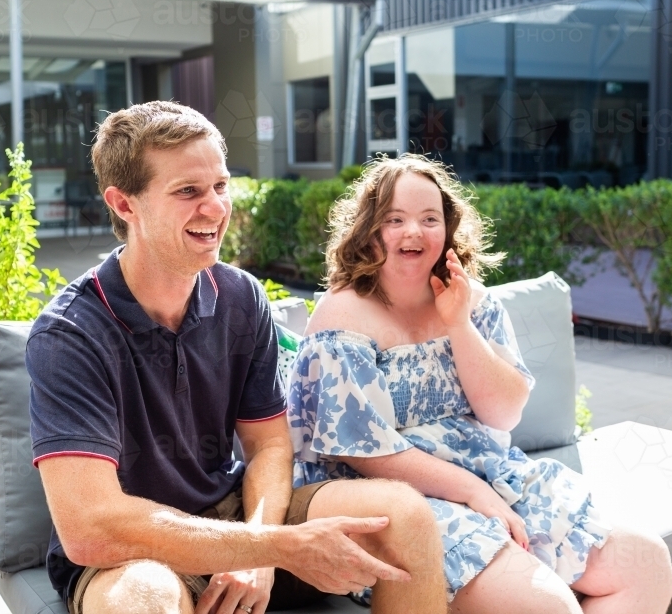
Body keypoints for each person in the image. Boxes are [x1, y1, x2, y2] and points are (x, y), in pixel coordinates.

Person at [26, 103, 448, 614]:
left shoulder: (241, 297)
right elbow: (91, 528)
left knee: (402, 514)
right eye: (188, 192)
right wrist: (271, 546)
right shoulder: (70, 333)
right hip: (135, 555)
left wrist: (259, 548)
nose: (215, 208)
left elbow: (268, 444)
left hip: (238, 518)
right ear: (125, 204)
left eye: (220, 187)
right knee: (144, 601)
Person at [287, 154, 672, 613]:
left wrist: (459, 324)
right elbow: (362, 451)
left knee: (646, 564)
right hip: (396, 501)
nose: (414, 231)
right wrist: (475, 494)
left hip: (491, 475)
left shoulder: (471, 301)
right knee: (548, 607)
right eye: (395, 219)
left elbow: (504, 413)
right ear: (369, 231)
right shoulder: (342, 316)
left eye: (429, 219)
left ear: (447, 230)